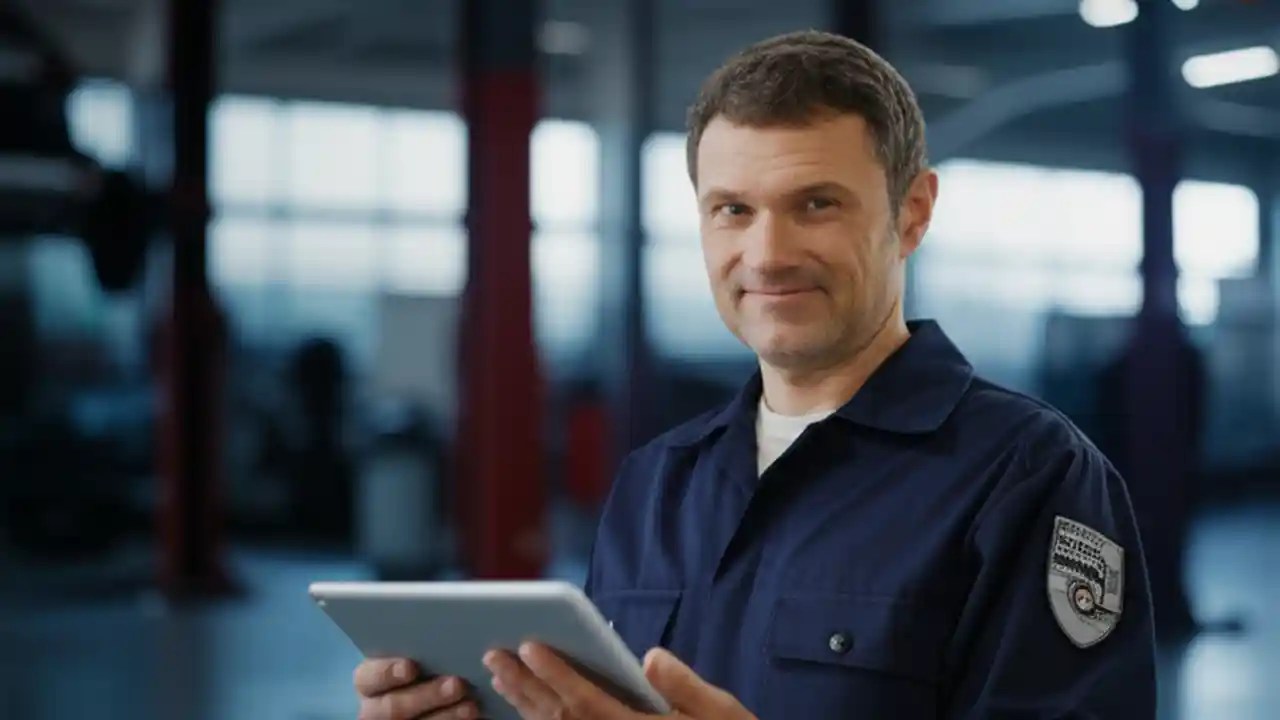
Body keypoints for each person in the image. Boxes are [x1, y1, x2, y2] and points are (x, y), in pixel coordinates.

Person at [352, 29, 1157, 719]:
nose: (767, 255)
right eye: (733, 209)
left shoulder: (1029, 478)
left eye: (816, 204)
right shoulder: (655, 485)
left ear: (912, 213)